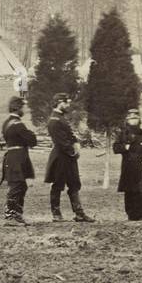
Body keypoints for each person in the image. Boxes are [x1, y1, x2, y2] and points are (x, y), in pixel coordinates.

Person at [44, 94, 94, 223]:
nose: (68, 106)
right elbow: (61, 142)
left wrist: (76, 142)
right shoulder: (54, 120)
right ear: (60, 103)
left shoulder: (61, 118)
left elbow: (70, 134)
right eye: (66, 103)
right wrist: (74, 152)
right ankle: (56, 214)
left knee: (74, 184)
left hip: (68, 157)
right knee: (58, 184)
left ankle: (79, 213)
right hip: (60, 157)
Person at [0, 96, 37, 226]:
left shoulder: (6, 123)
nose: (24, 110)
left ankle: (17, 214)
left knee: (21, 186)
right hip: (18, 159)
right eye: (23, 107)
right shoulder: (18, 124)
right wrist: (31, 134)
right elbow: (32, 141)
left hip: (12, 157)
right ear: (17, 108)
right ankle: (10, 216)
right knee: (17, 187)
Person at [112, 109, 142, 221]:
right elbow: (115, 148)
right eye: (130, 118)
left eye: (135, 118)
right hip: (128, 167)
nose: (133, 120)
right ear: (127, 120)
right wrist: (125, 147)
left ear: (139, 119)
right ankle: (130, 215)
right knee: (129, 192)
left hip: (141, 166)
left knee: (141, 192)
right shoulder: (122, 134)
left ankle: (140, 215)